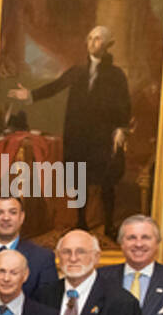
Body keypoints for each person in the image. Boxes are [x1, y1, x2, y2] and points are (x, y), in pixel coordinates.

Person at [8, 24, 132, 238]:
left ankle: (110, 225)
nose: (93, 42)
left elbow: (124, 104)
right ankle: (81, 221)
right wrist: (30, 95)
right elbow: (55, 87)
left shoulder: (116, 74)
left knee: (107, 182)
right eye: (91, 38)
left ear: (108, 44)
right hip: (79, 135)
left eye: (99, 39)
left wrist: (121, 128)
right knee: (79, 178)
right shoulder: (78, 72)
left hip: (103, 136)